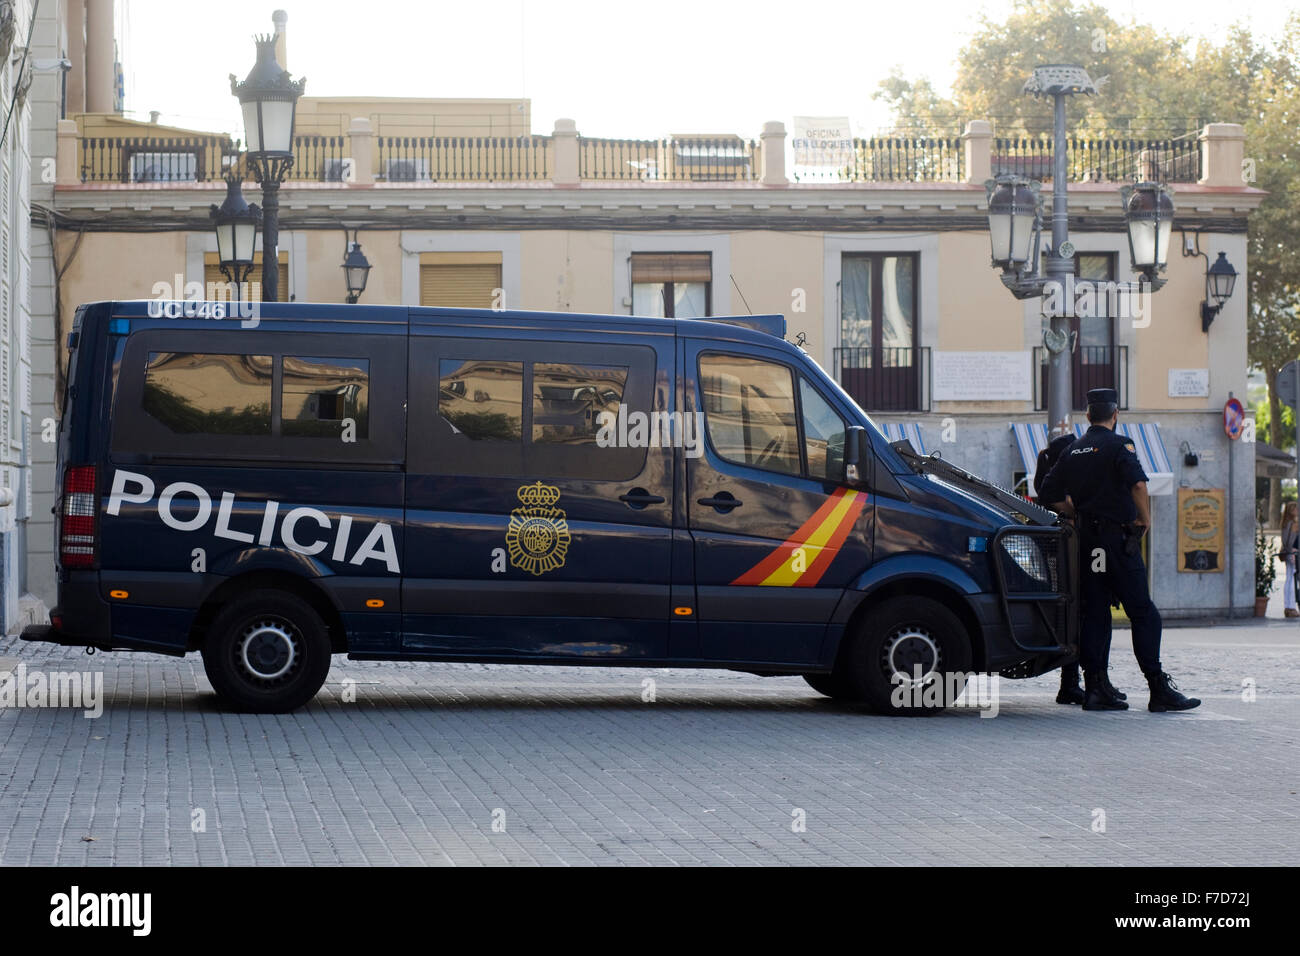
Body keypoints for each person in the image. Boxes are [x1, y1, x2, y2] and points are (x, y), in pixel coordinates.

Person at [1037, 388, 1200, 712]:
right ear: (1115, 414)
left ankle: (1096, 687)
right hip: (1116, 542)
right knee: (1142, 611)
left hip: (1090, 545)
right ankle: (1157, 687)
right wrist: (1145, 518)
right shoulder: (1118, 445)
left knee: (1095, 612)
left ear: (1087, 416)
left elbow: (1047, 492)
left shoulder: (1073, 450)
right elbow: (1138, 484)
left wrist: (1076, 512)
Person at [1034, 427, 1088, 705]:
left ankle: (1071, 683)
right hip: (1067, 571)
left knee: (1069, 623)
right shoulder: (1061, 496)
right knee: (1074, 622)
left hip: (1055, 571)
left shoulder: (1045, 489)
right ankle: (1071, 684)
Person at [1280, 502, 1299, 619]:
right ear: (1292, 511)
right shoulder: (1294, 524)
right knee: (1292, 579)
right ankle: (1292, 607)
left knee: (1288, 579)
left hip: (1287, 553)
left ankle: (1287, 606)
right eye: (1296, 509)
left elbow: (1285, 540)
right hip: (1293, 553)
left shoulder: (1284, 523)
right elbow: (1293, 540)